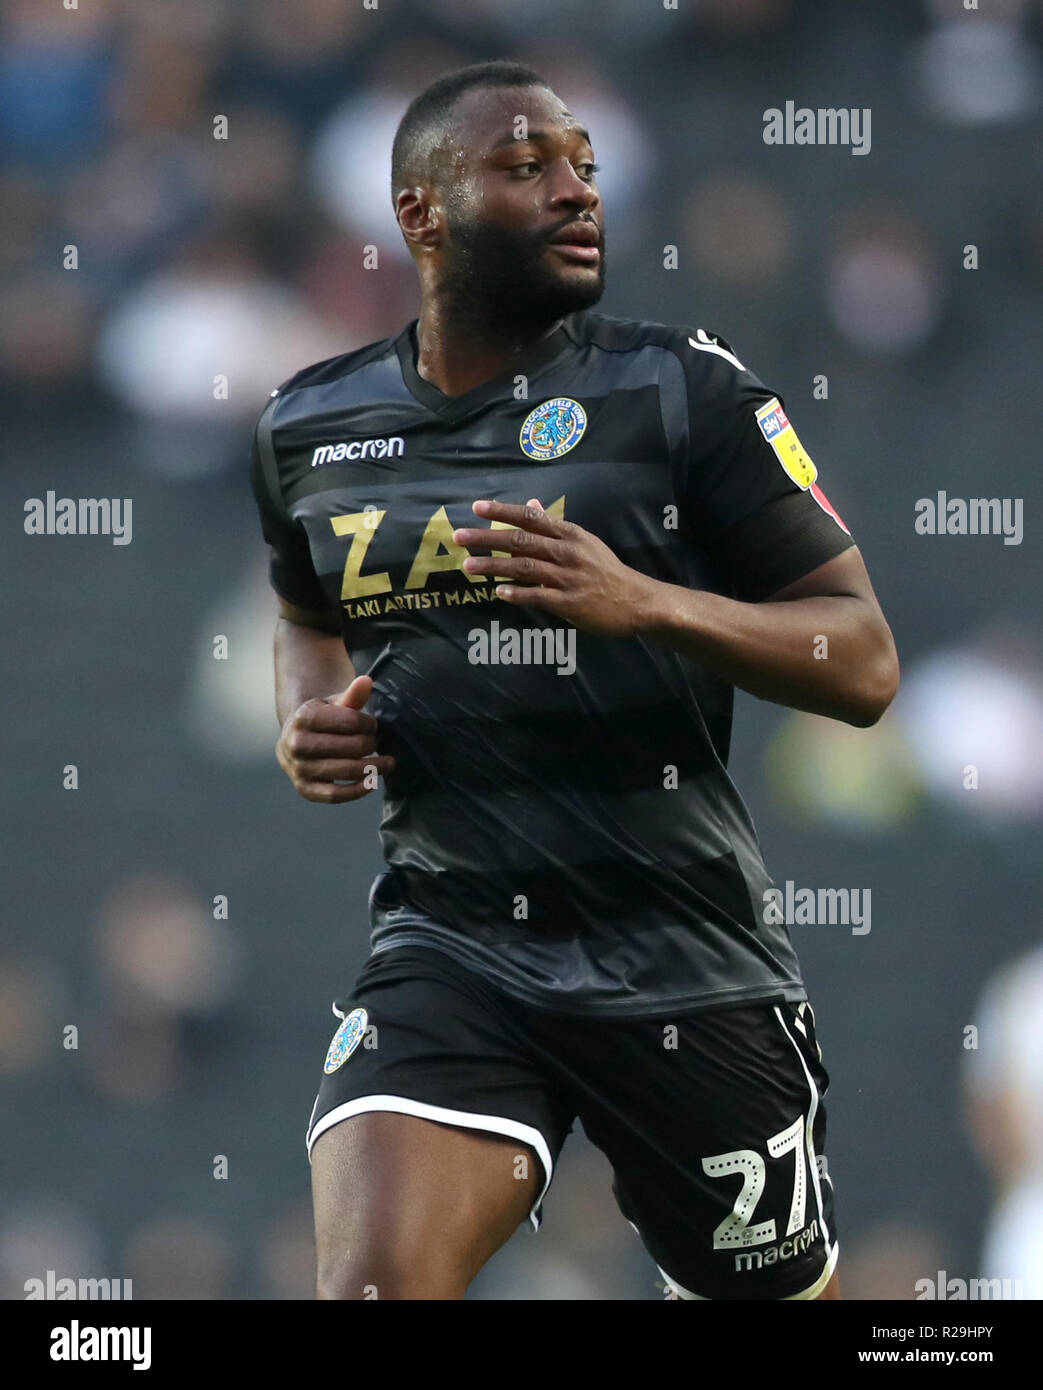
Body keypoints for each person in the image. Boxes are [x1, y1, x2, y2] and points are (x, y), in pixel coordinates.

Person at [249, 59, 899, 1301]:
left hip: (683, 953)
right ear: (421, 210)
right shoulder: (307, 428)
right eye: (525, 165)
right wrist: (304, 715)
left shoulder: (681, 390)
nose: (574, 192)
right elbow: (300, 609)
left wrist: (643, 601)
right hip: (451, 941)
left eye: (585, 168)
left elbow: (860, 660)